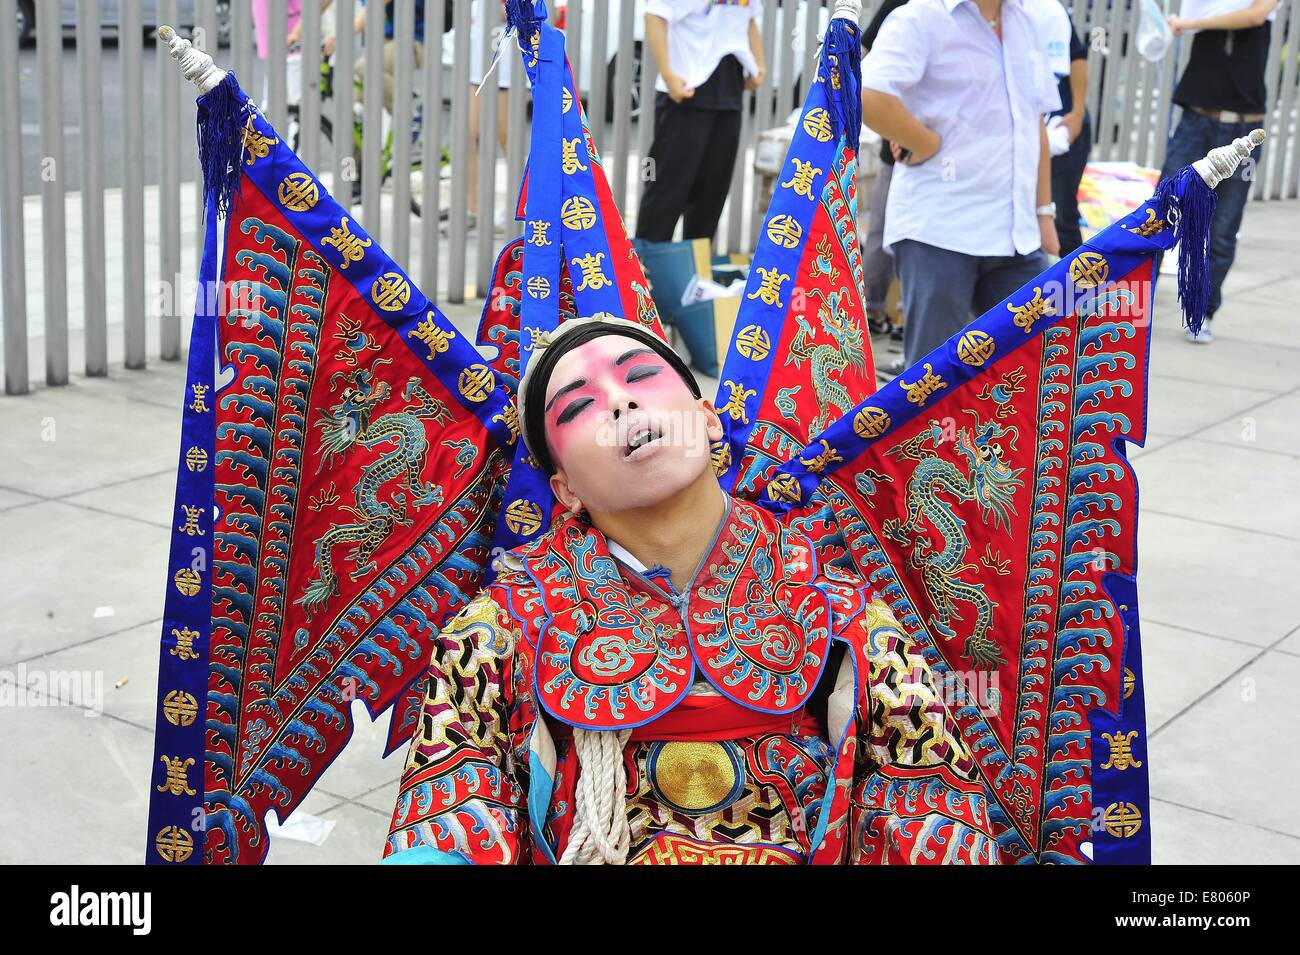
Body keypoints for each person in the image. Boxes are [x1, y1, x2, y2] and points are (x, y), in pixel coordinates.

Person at [381, 314, 999, 865]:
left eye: (640, 376)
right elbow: (449, 810)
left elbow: (928, 800)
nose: (620, 404)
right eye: (576, 409)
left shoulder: (836, 608)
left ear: (708, 424)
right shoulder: (503, 630)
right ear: (565, 489)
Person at [860, 0, 1060, 378]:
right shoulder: (921, 17)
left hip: (1016, 237)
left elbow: (1034, 124)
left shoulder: (1025, 22)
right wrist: (926, 142)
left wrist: (1044, 213)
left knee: (1029, 374)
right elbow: (869, 93)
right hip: (940, 231)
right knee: (933, 383)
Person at [1159, 0, 1278, 344]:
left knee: (1223, 227)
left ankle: (1203, 311)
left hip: (1243, 130)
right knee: (1161, 210)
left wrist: (1194, 23)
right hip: (1197, 120)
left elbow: (1256, 15)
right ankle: (1137, 299)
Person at [634, 0, 766, 244]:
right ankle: (645, 272)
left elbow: (748, 18)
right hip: (686, 93)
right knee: (666, 189)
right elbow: (654, 15)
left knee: (712, 195)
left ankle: (697, 273)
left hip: (729, 93)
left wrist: (758, 65)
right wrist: (668, 75)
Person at [859, 0, 911, 353]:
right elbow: (864, 55)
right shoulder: (902, 7)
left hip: (934, 151)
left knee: (914, 240)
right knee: (883, 233)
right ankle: (872, 310)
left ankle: (906, 319)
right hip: (899, 147)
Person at [1025, 0, 1090, 256]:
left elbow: (1078, 56)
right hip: (1020, 134)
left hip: (1059, 129)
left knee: (1060, 219)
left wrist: (1076, 112)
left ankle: (1074, 293)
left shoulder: (1047, 10)